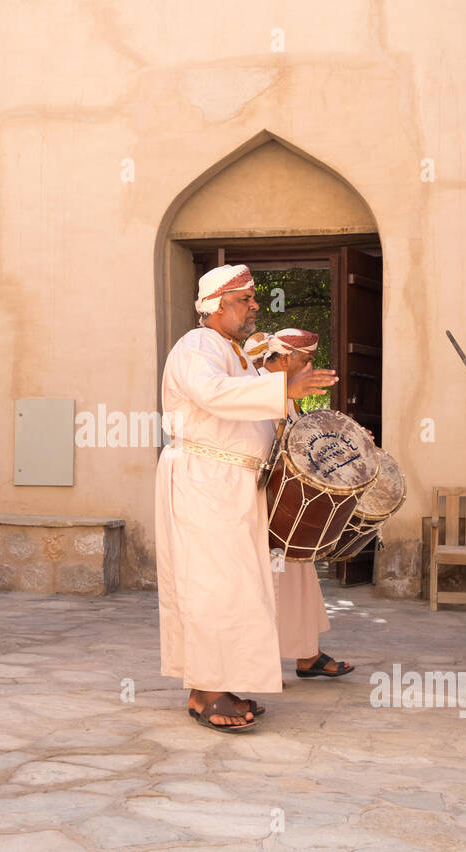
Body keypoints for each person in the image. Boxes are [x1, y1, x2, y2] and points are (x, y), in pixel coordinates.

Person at [156, 265, 337, 731]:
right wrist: (282, 387)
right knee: (211, 586)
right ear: (216, 305)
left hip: (230, 484)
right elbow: (214, 396)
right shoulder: (196, 347)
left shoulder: (233, 353)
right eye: (246, 298)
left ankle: (215, 683)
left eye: (253, 298)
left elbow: (249, 411)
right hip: (205, 481)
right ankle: (206, 693)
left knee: (234, 589)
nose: (256, 305)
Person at [260, 329, 353, 679]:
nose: (309, 367)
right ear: (284, 359)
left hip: (289, 512)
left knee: (298, 582)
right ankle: (262, 661)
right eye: (304, 361)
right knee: (272, 586)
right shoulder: (253, 390)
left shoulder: (288, 396)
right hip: (265, 511)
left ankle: (307, 654)